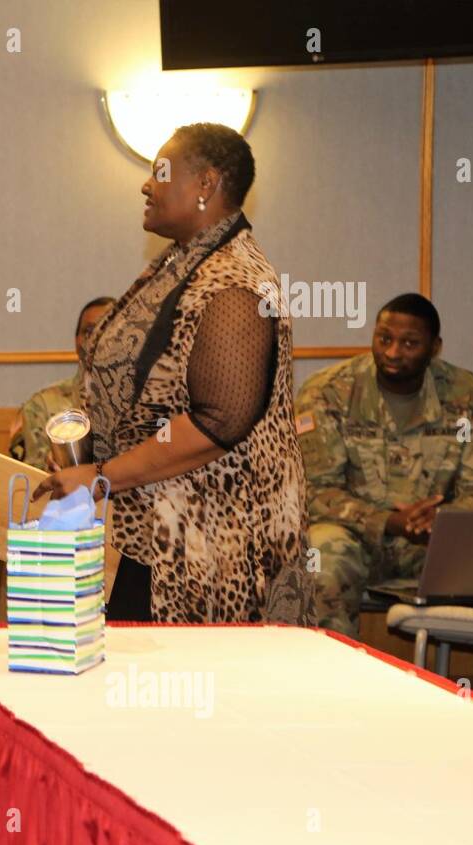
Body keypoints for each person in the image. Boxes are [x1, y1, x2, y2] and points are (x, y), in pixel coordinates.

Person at [35, 122, 313, 624]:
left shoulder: (237, 283)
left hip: (210, 544)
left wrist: (100, 478)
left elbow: (218, 423)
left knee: (186, 696)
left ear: (206, 184)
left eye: (160, 172)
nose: (146, 184)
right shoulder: (183, 263)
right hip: (148, 526)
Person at [296, 293, 473, 638]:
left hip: (436, 540)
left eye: (410, 343)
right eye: (384, 339)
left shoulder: (467, 396)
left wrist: (442, 519)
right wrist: (388, 522)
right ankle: (329, 678)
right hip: (351, 536)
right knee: (321, 562)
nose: (393, 352)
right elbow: (312, 490)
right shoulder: (328, 393)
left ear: (434, 347)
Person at [9, 296, 114, 470]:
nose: (96, 338)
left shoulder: (144, 405)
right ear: (76, 341)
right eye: (88, 331)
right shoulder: (41, 405)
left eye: (107, 329)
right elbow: (28, 479)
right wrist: (51, 464)